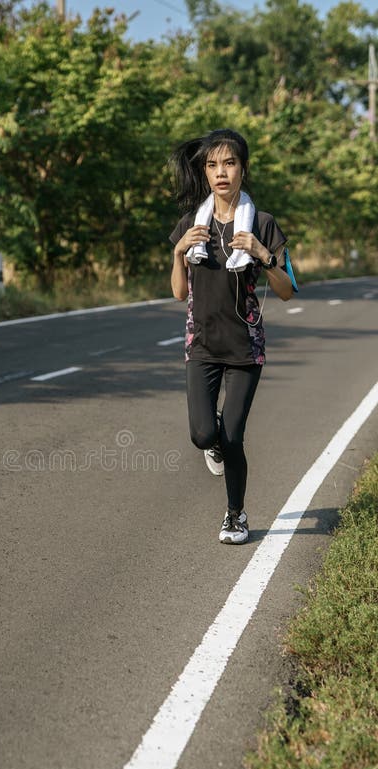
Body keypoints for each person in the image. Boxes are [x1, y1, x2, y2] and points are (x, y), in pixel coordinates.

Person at [168, 128, 294, 544]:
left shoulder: (262, 223)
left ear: (243, 168)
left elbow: (286, 290)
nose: (221, 173)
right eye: (212, 165)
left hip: (244, 347)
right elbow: (178, 292)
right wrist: (177, 253)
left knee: (233, 435)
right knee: (204, 434)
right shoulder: (192, 224)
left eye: (229, 163)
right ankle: (214, 442)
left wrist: (263, 253)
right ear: (204, 173)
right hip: (201, 344)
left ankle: (235, 515)